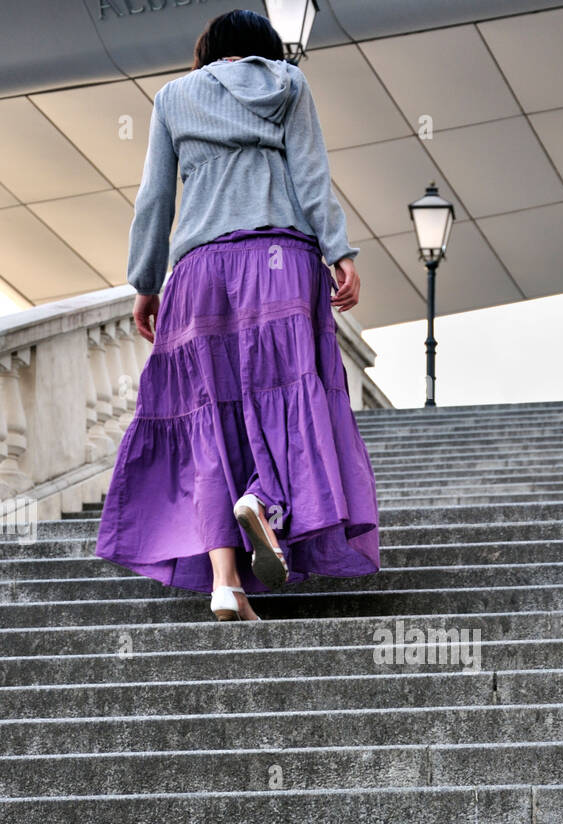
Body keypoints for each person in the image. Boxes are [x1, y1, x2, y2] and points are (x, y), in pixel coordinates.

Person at [95, 8, 380, 621]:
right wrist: (340, 250)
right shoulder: (288, 84)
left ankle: (226, 581)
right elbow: (311, 175)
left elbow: (154, 197)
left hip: (200, 271)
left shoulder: (174, 97)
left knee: (206, 419)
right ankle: (264, 498)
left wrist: (146, 281)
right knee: (286, 396)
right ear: (265, 50)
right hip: (279, 260)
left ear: (208, 51)